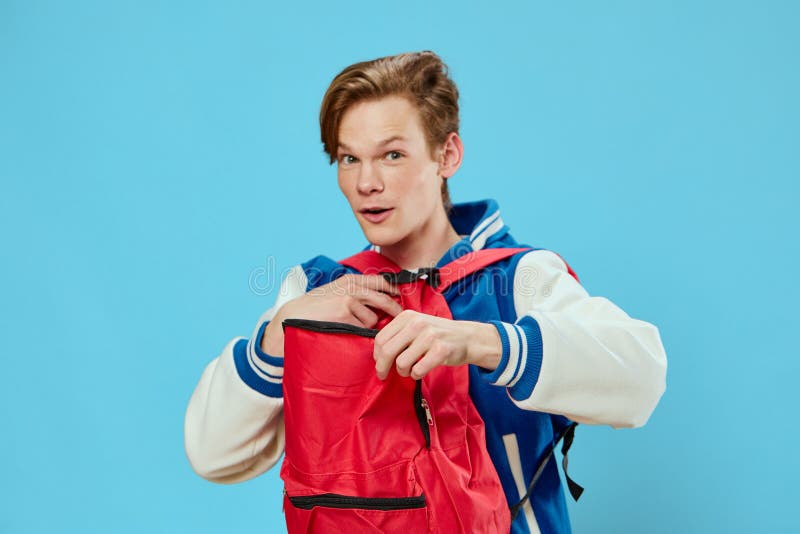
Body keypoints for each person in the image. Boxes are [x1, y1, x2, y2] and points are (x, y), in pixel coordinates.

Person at [184, 50, 667, 534]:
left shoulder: (520, 278)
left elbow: (643, 378)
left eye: (392, 155)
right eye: (349, 158)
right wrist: (280, 332)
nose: (366, 183)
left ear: (447, 155)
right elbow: (213, 455)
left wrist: (480, 342)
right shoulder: (313, 290)